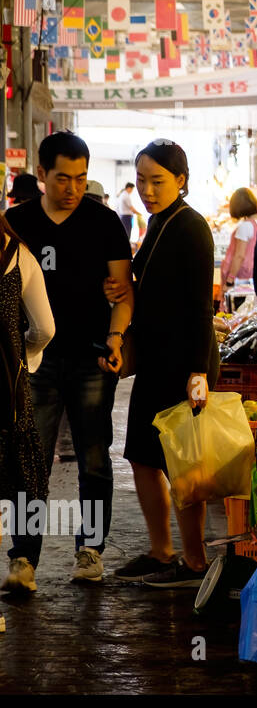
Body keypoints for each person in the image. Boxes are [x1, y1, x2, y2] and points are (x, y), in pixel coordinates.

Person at [4, 132, 134, 587]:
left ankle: (90, 551)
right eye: (63, 178)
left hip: (92, 360)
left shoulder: (105, 223)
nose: (73, 188)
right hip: (33, 362)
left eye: (81, 178)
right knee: (29, 460)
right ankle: (23, 559)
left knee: (94, 458)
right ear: (41, 175)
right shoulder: (15, 223)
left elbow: (123, 292)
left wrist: (116, 337)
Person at [104, 140, 220, 588]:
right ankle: (161, 551)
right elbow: (146, 280)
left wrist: (196, 372)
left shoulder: (191, 228)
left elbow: (199, 307)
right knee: (143, 457)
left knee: (183, 464)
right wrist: (121, 289)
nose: (148, 191)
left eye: (158, 181)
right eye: (142, 182)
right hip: (156, 360)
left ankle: (193, 561)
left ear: (181, 181)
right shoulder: (159, 222)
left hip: (183, 364)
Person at [0, 214, 56, 593]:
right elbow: (45, 328)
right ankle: (24, 561)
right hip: (8, 392)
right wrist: (25, 356)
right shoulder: (18, 256)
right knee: (25, 479)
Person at [221, 187, 257, 287]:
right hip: (256, 275)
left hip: (242, 279)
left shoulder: (245, 226)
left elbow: (239, 255)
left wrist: (230, 279)